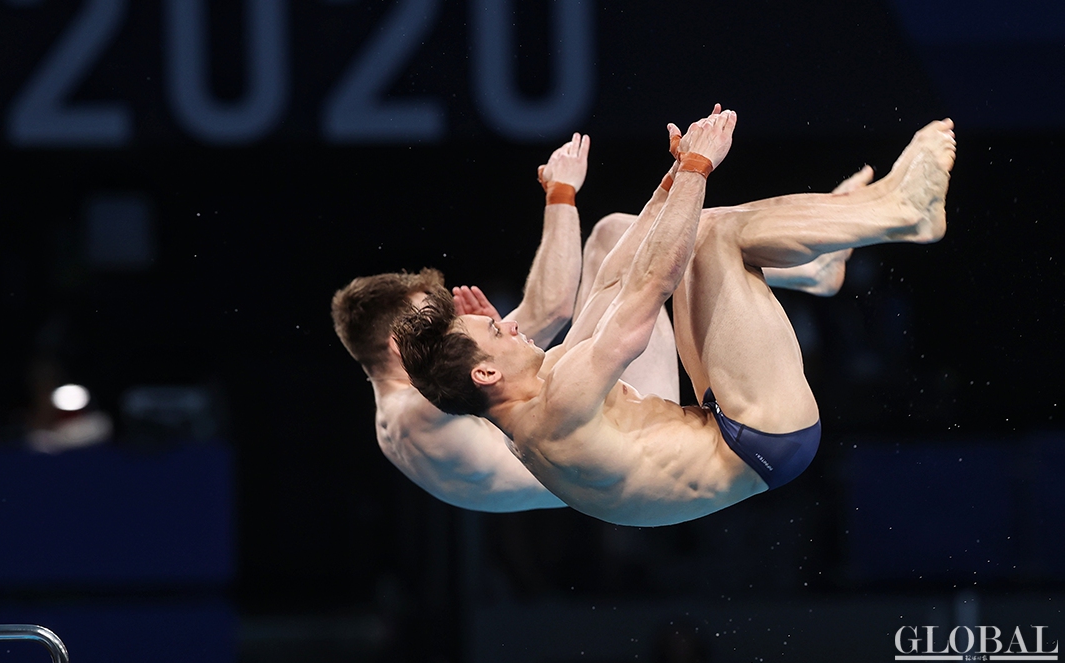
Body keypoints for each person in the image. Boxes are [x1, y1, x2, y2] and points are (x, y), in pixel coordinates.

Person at [395, 108, 956, 526]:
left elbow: (615, 280)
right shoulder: (557, 409)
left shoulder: (540, 395)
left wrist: (671, 182)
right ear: (486, 374)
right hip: (764, 437)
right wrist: (698, 166)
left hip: (726, 425)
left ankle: (845, 245)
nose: (512, 323)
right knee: (709, 232)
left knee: (681, 231)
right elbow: (648, 287)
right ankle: (899, 211)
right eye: (497, 332)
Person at [332, 130, 860, 512]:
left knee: (615, 238)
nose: (446, 316)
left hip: (575, 447)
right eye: (432, 318)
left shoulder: (403, 414)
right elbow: (553, 309)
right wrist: (561, 195)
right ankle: (793, 261)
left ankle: (808, 271)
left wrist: (496, 335)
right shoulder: (418, 408)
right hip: (599, 443)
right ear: (399, 347)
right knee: (646, 276)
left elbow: (515, 355)